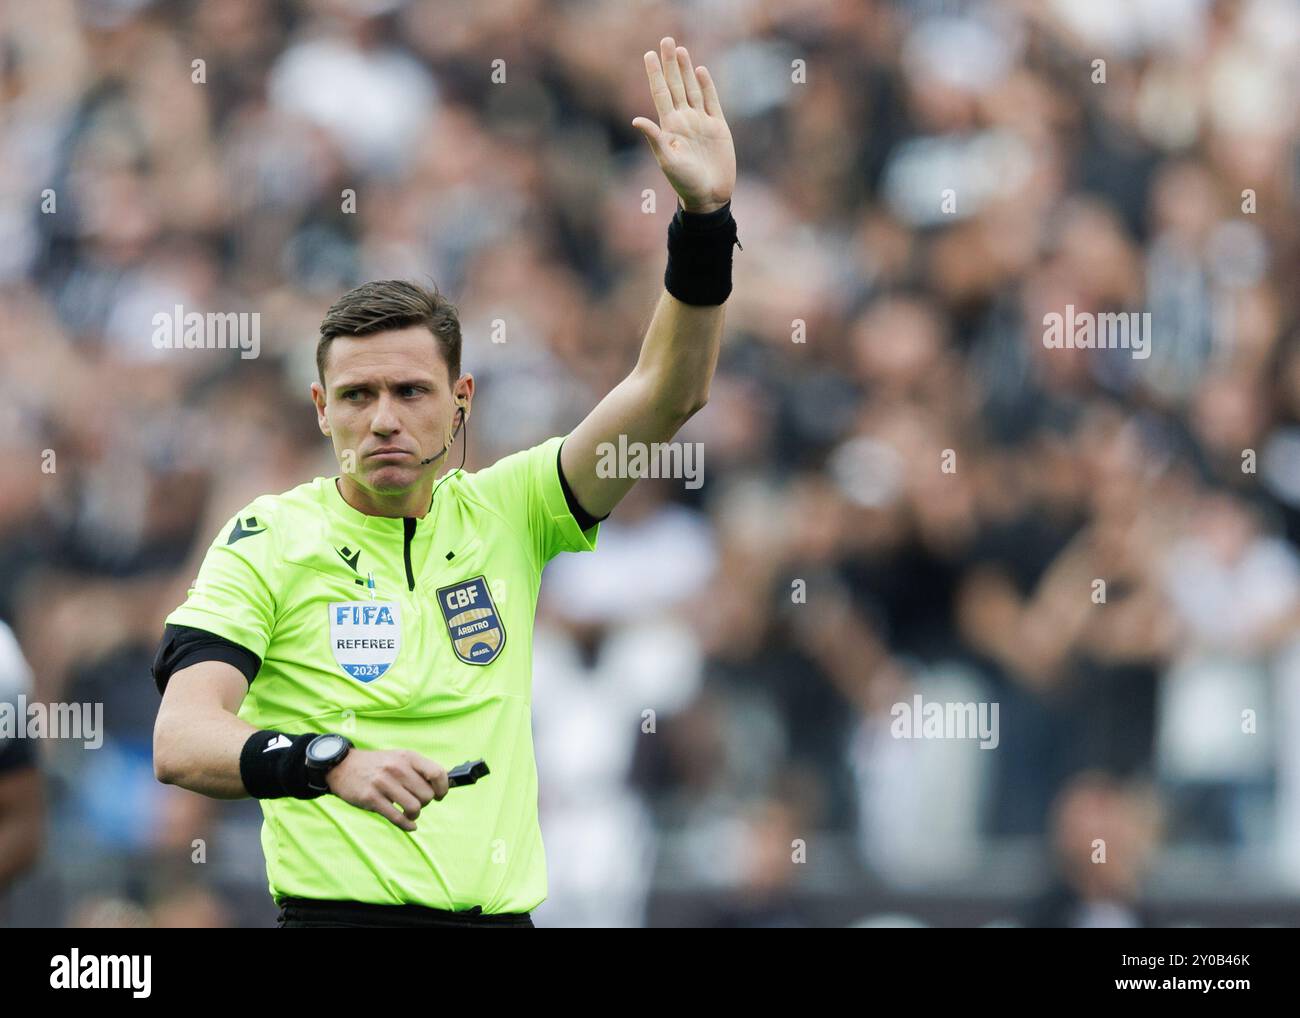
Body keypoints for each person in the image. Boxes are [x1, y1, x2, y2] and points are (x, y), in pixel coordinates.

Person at [150, 36, 739, 928]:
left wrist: (704, 223)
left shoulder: (516, 508)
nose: (383, 418)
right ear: (319, 408)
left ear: (461, 401)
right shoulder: (267, 541)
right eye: (356, 395)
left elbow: (670, 394)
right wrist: (328, 760)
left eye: (411, 392)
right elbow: (182, 737)